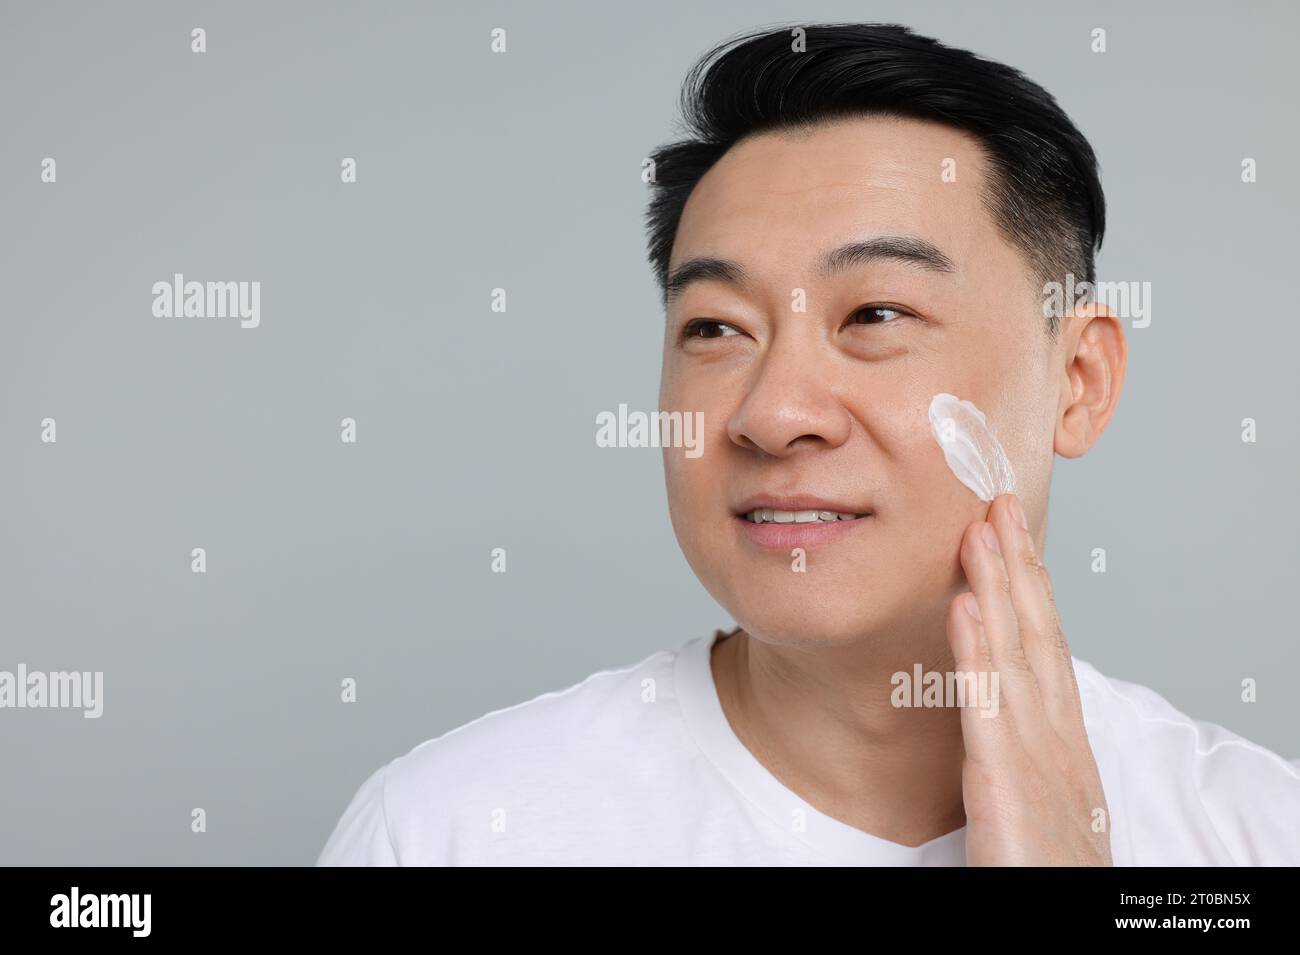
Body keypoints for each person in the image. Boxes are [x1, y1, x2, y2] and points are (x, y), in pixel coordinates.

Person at [317, 22, 1300, 866]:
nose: (772, 411)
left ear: (1077, 383)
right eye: (715, 328)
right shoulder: (450, 832)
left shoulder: (1252, 834)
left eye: (873, 311)